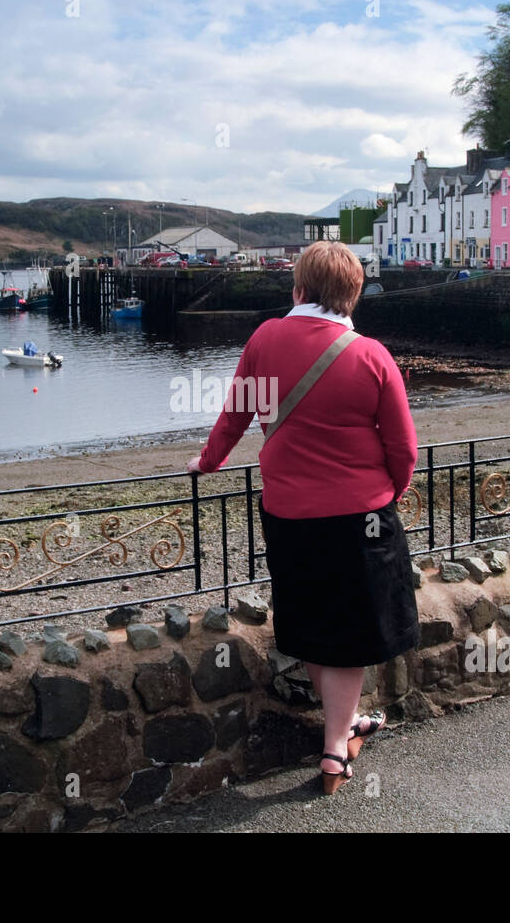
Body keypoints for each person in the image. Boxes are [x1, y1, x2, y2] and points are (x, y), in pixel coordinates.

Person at [187, 240, 419, 795]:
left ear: (298, 289)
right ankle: (336, 749)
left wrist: (208, 462)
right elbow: (403, 447)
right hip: (361, 516)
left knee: (314, 623)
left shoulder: (266, 338)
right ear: (352, 294)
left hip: (289, 513)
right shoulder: (372, 356)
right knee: (353, 631)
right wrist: (394, 492)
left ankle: (343, 730)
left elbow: (237, 413)